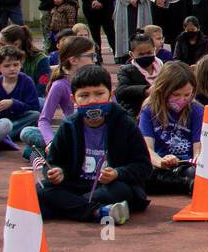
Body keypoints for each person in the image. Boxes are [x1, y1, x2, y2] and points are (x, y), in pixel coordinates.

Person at [36, 64, 149, 226]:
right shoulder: (69, 126)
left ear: (110, 95)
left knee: (120, 191)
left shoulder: (125, 124)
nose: (92, 100)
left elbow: (144, 166)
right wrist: (57, 172)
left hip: (109, 186)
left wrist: (117, 173)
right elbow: (53, 163)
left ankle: (64, 208)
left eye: (99, 94)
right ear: (73, 99)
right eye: (84, 95)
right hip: (76, 184)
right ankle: (98, 211)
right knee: (40, 190)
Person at [138, 60, 204, 196]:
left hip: (186, 165)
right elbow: (147, 149)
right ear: (163, 90)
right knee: (141, 174)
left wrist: (197, 161)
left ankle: (184, 183)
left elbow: (198, 148)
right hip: (159, 165)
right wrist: (161, 162)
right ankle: (184, 185)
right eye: (176, 95)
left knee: (198, 173)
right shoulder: (149, 110)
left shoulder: (196, 109)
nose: (182, 99)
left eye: (187, 95)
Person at [24, 35, 96, 154]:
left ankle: (44, 152)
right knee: (27, 132)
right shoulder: (60, 85)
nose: (95, 60)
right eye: (91, 56)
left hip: (97, 133)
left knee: (30, 150)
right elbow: (44, 119)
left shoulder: (98, 79)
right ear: (73, 60)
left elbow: (115, 110)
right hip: (71, 133)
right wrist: (51, 142)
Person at [0, 44, 41, 137]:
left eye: (15, 64)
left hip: (20, 119)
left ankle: (2, 137)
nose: (12, 69)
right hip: (1, 122)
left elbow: (34, 107)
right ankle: (3, 135)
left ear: (21, 64)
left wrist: (12, 103)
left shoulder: (26, 81)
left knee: (35, 115)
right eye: (7, 66)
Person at [113, 32, 163, 118]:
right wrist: (146, 90)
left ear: (154, 50)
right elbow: (120, 91)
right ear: (131, 54)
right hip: (135, 113)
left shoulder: (164, 67)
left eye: (149, 53)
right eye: (141, 54)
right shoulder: (126, 71)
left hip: (161, 111)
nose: (145, 56)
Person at [0, 24, 51, 98]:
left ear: (16, 44)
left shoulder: (41, 60)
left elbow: (42, 88)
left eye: (2, 45)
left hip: (33, 100)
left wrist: (19, 103)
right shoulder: (0, 60)